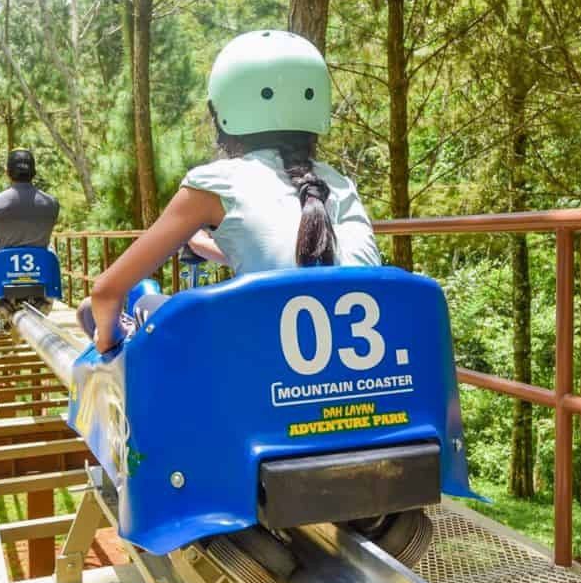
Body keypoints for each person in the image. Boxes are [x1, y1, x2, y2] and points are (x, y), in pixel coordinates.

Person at [80, 29, 380, 352]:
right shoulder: (339, 183)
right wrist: (209, 247)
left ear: (222, 113)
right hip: (371, 376)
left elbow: (106, 293)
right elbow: (307, 261)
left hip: (265, 370)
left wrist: (106, 344)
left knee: (150, 303)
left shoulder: (215, 182)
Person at [0, 149, 60, 259]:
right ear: (34, 173)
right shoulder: (52, 203)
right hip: (41, 266)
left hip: (4, 266)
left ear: (7, 173)